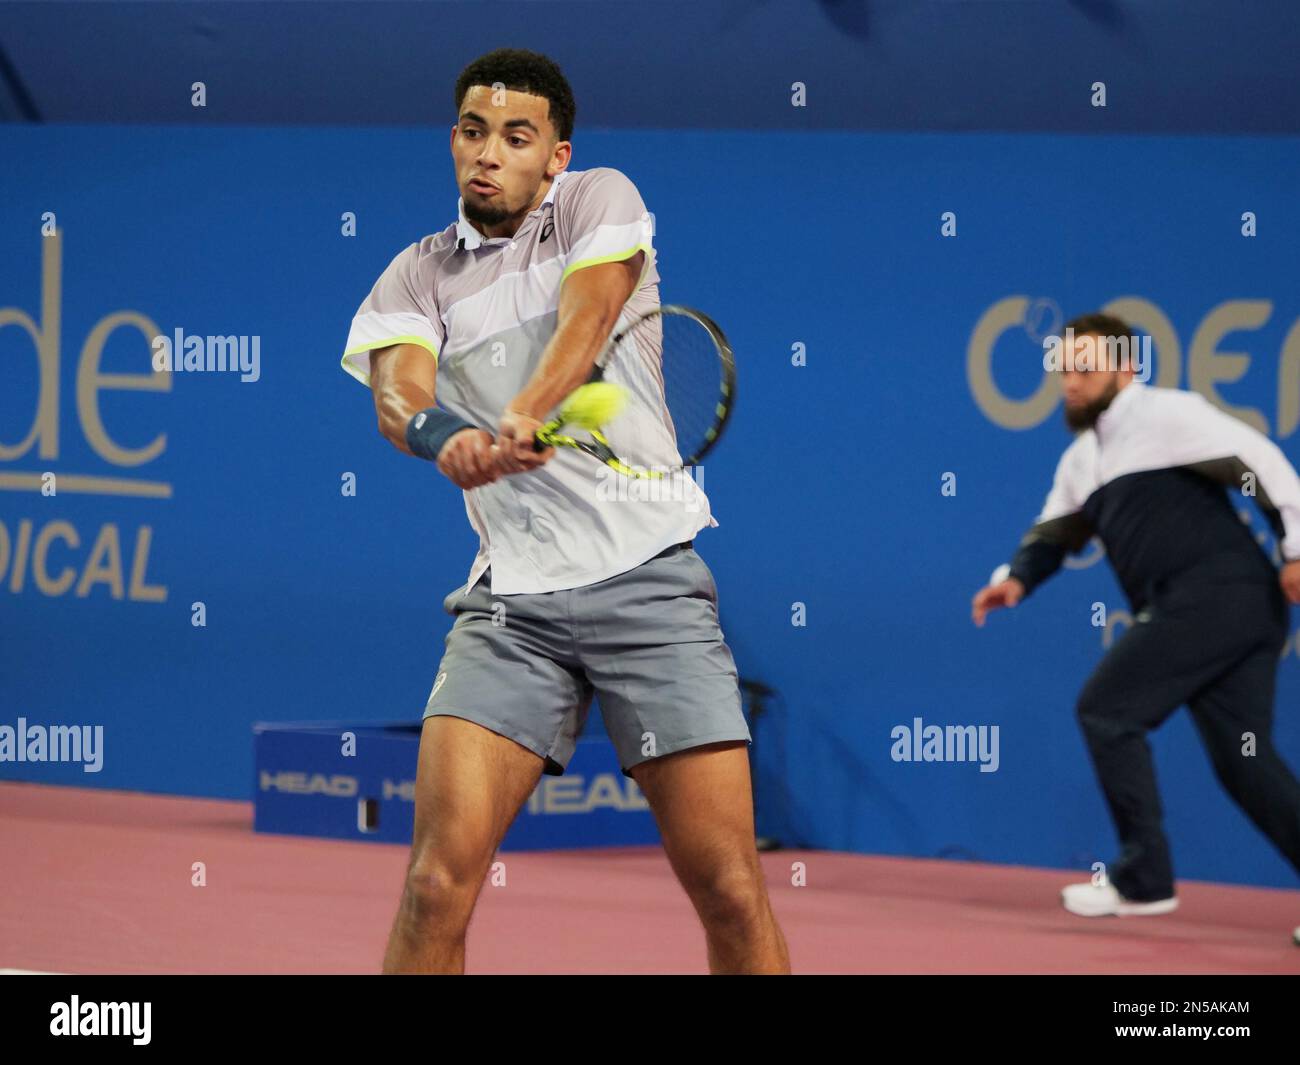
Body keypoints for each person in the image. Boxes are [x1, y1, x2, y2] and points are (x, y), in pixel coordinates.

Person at [341, 47, 788, 974]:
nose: (488, 154)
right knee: (433, 883)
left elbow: (590, 314)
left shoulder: (599, 202)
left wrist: (524, 411)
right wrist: (441, 438)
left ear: (557, 155)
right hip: (511, 610)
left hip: (650, 588)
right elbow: (398, 394)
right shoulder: (415, 275)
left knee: (732, 890)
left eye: (515, 136)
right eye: (472, 132)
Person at [972, 313, 1300, 933]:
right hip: (1233, 612)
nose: (1070, 381)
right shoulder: (1081, 459)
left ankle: (1144, 878)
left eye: (1085, 368)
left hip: (1221, 597)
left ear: (1125, 368)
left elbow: (1261, 462)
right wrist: (1016, 580)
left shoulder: (1166, 414)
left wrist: (1296, 548)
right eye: (1063, 368)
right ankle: (1146, 876)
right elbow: (1053, 533)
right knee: (1244, 761)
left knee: (1106, 709)